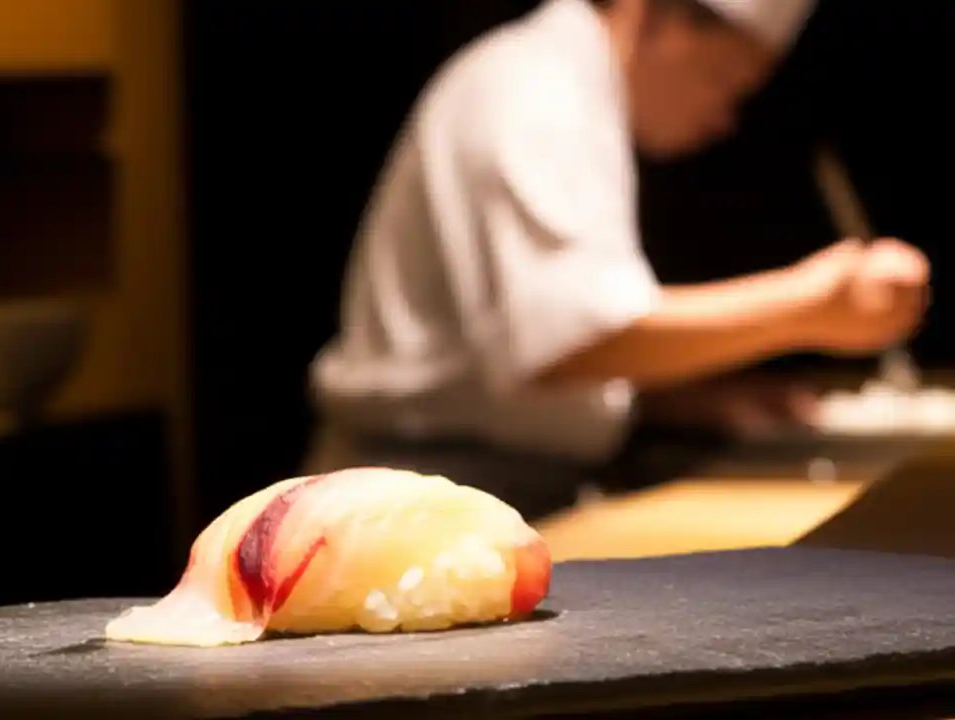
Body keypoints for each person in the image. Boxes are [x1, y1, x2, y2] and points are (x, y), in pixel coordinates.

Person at [302, 0, 931, 516]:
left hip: (482, 487)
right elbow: (567, 338)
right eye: (726, 80)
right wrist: (813, 304)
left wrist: (688, 400)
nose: (725, 120)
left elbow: (500, 361)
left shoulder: (566, 86)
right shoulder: (534, 88)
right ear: (650, 14)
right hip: (412, 501)